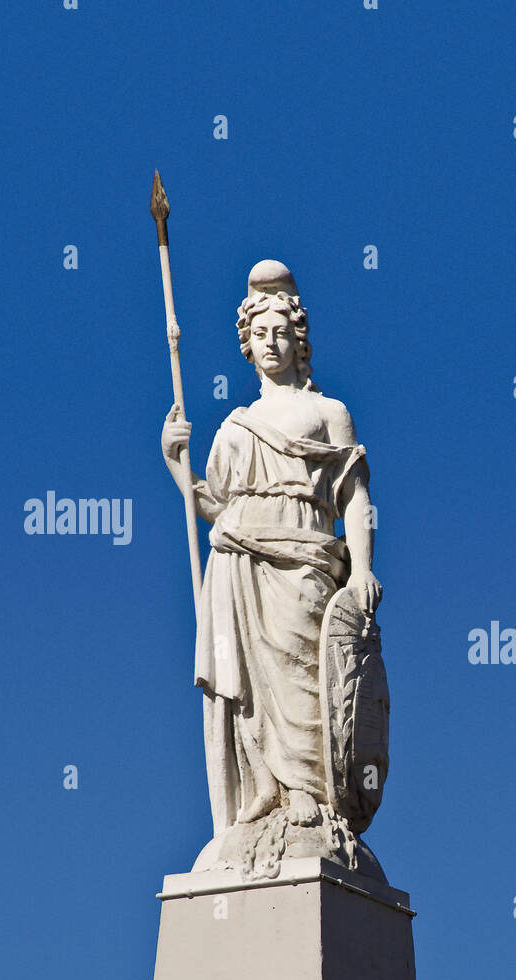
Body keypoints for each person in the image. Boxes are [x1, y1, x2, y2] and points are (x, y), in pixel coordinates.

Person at [160, 261, 380, 863]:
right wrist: (178, 465)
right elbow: (215, 504)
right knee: (251, 690)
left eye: (281, 332)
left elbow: (355, 498)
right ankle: (266, 792)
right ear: (247, 346)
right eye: (260, 335)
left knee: (303, 671)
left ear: (299, 339)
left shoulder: (328, 413)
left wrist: (360, 569)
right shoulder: (236, 425)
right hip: (238, 560)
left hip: (305, 555)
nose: (271, 343)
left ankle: (312, 793)